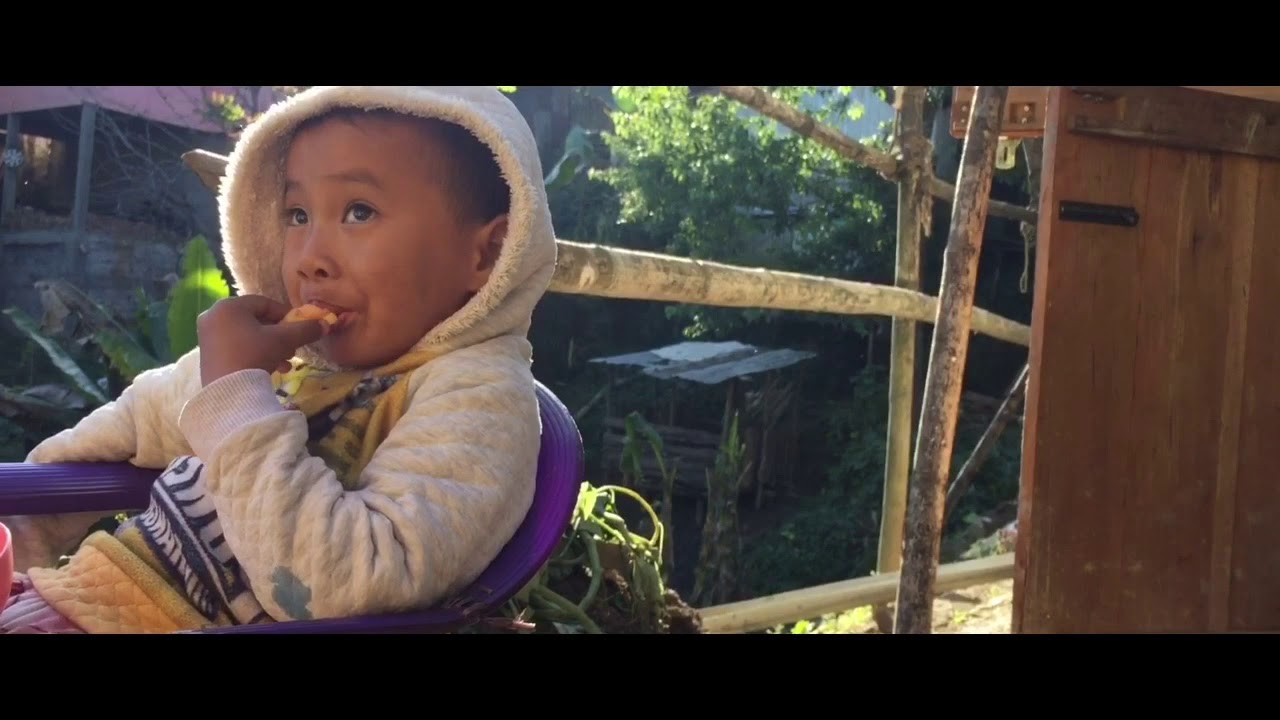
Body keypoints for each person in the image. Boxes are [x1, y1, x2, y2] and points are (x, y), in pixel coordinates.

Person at [0, 86, 558, 633]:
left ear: (483, 254)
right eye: (296, 215)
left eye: (359, 212)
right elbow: (128, 425)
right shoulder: (291, 356)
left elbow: (347, 583)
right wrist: (22, 529)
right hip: (73, 599)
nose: (310, 257)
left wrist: (239, 396)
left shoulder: (477, 399)